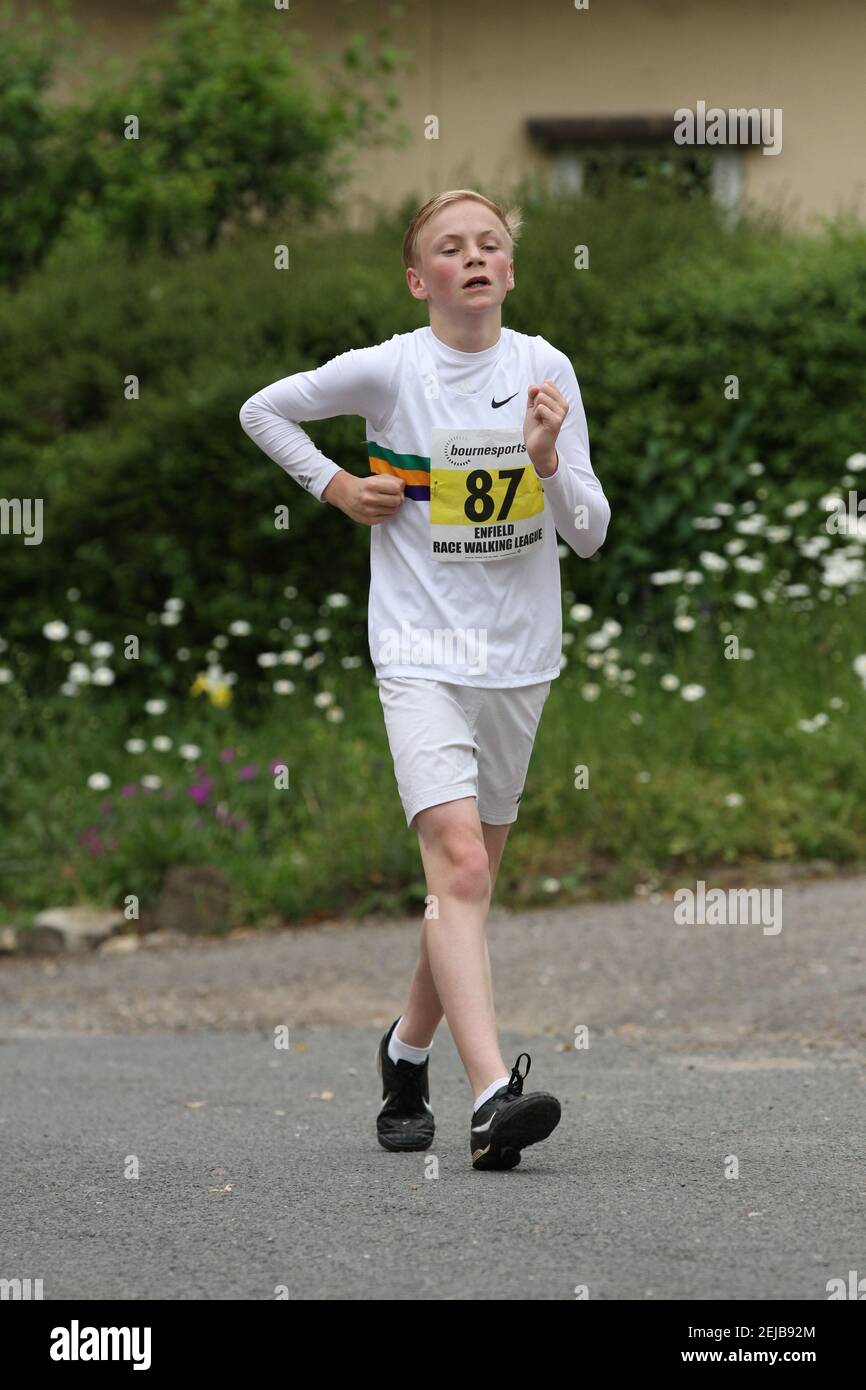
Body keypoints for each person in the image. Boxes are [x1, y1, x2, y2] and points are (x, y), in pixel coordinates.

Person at [239, 188, 611, 1170]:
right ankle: (492, 1096)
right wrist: (330, 483)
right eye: (450, 247)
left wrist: (544, 460)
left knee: (466, 883)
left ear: (511, 270)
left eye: (491, 242)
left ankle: (404, 1054)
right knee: (458, 863)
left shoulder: (542, 369)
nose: (475, 256)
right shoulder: (390, 369)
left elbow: (589, 529)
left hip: (518, 660)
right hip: (416, 654)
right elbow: (262, 407)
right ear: (419, 279)